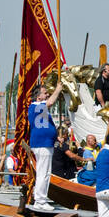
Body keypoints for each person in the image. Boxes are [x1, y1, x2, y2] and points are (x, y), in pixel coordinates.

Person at [27, 79, 64, 208]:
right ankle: (40, 200)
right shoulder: (36, 106)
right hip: (42, 144)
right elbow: (50, 102)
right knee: (43, 172)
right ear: (38, 97)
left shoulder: (41, 108)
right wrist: (58, 90)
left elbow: (46, 124)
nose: (47, 94)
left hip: (46, 142)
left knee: (45, 172)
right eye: (45, 92)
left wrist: (55, 137)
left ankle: (41, 199)